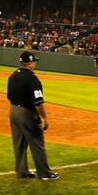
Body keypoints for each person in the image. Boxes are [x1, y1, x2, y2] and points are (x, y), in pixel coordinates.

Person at [6, 50, 58, 181]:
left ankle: (22, 172)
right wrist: (44, 118)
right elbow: (39, 103)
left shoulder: (12, 76)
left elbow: (9, 96)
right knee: (37, 142)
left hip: (12, 112)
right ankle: (45, 173)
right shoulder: (32, 78)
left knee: (18, 144)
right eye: (34, 61)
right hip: (26, 113)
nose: (35, 64)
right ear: (29, 63)